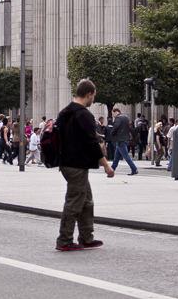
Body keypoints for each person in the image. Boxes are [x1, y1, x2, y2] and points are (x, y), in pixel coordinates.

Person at [55, 78, 114, 251]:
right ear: (88, 94)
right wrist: (106, 165)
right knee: (74, 203)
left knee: (86, 201)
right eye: (93, 96)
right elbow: (91, 142)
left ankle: (86, 237)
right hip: (76, 165)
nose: (93, 99)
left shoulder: (65, 112)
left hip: (66, 162)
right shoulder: (83, 114)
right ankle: (64, 240)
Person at [109, 108, 138, 176]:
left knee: (125, 155)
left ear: (116, 112)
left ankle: (134, 169)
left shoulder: (118, 118)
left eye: (113, 114)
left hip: (120, 139)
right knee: (117, 155)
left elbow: (116, 127)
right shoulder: (126, 117)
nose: (113, 116)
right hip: (125, 138)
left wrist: (111, 133)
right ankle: (112, 169)